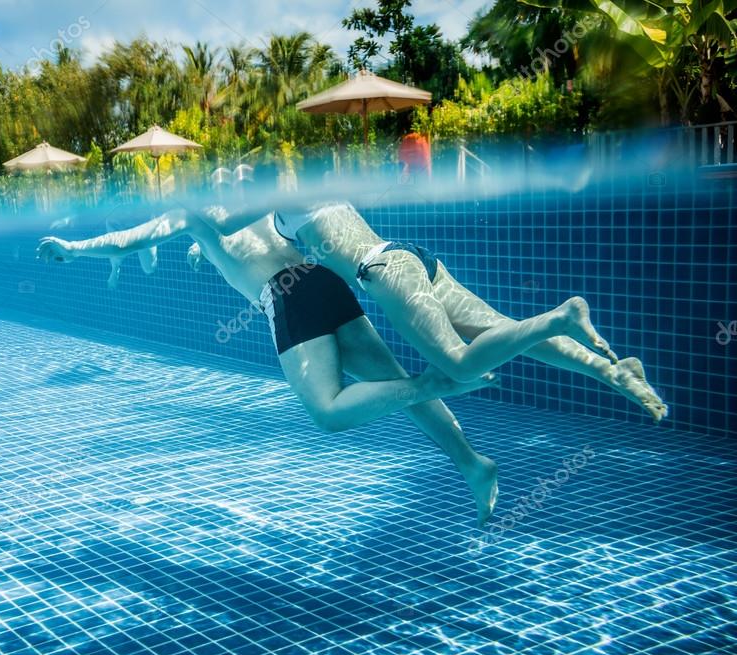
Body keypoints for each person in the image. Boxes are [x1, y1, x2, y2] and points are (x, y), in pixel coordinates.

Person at [38, 207, 500, 526]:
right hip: (321, 278)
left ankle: (433, 382)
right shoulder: (253, 195)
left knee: (329, 411)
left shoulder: (189, 211)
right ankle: (472, 462)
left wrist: (75, 249)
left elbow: (129, 241)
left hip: (285, 296)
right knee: (388, 379)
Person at [268, 201, 667, 422]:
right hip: (406, 256)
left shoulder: (283, 194)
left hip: (381, 271)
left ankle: (560, 316)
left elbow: (236, 222)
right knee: (503, 330)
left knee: (460, 365)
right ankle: (611, 370)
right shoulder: (324, 188)